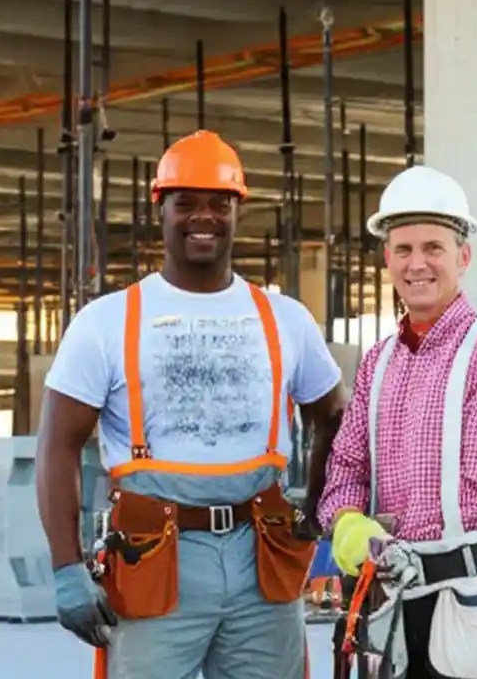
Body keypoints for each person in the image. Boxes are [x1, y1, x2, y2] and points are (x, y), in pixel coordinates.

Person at [35, 129, 347, 679]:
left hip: (263, 559)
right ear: (161, 209)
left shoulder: (286, 319)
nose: (203, 217)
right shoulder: (108, 321)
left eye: (218, 204)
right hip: (154, 559)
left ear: (236, 211)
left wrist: (317, 511)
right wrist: (65, 567)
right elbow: (57, 448)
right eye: (187, 203)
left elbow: (335, 417)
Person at [316, 165, 477, 678]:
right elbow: (346, 470)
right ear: (387, 259)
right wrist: (347, 521)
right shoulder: (378, 363)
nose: (417, 264)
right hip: (391, 612)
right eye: (403, 249)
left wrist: (387, 544)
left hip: (469, 609)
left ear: (463, 257)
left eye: (433, 248)